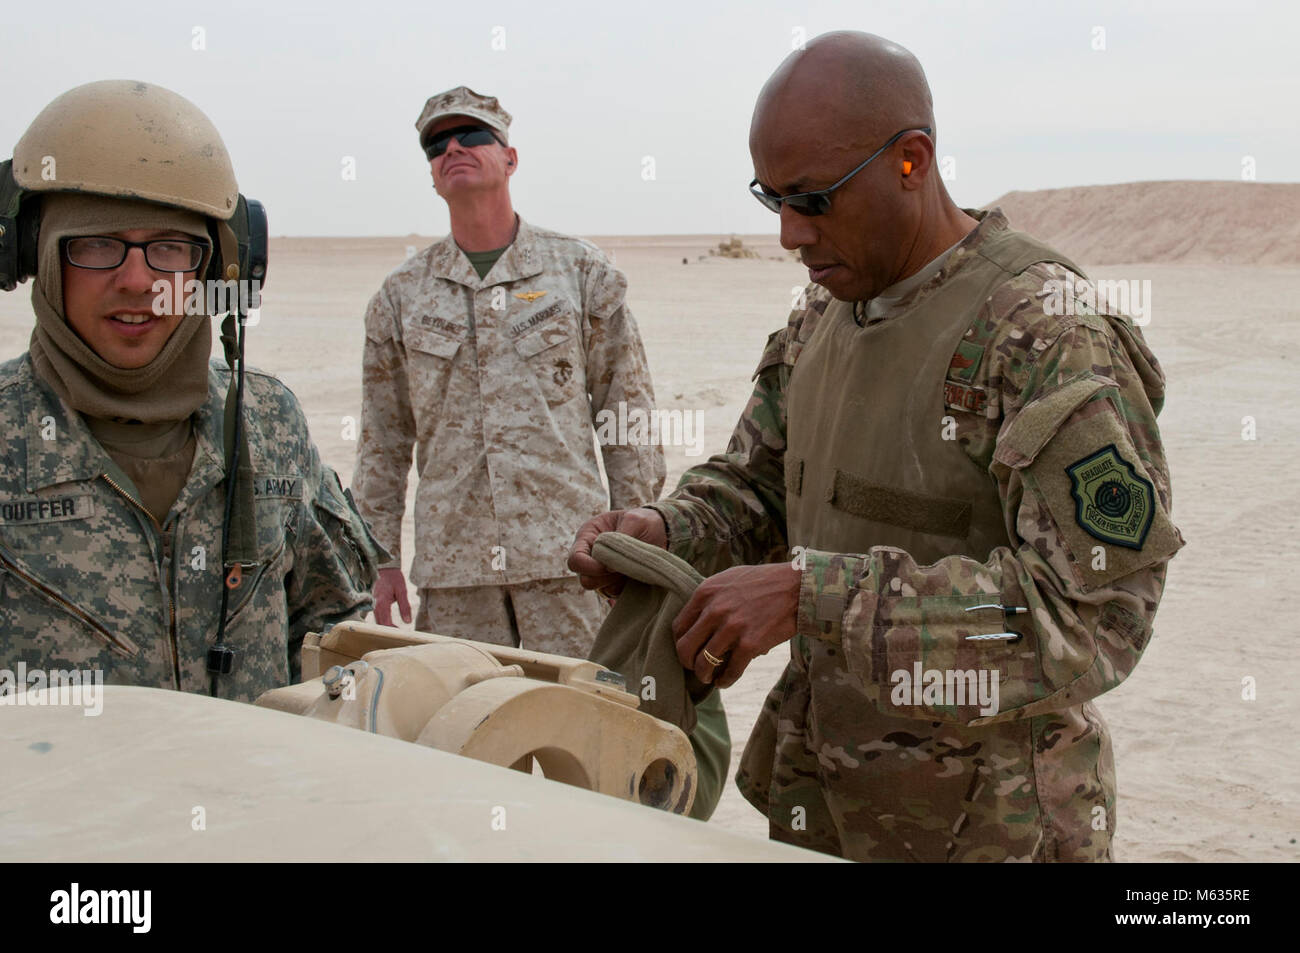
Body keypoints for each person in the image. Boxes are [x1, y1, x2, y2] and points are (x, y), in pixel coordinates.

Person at [570, 32, 1184, 861]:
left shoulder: (1045, 333)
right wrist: (667, 529)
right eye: (770, 199)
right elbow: (760, 488)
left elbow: (1094, 614)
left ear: (912, 159)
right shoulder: (824, 315)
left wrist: (812, 597)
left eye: (813, 198)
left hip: (995, 830)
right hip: (826, 808)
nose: (790, 232)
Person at [0, 80, 384, 703]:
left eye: (169, 250)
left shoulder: (266, 421)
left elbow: (333, 636)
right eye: (96, 245)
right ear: (37, 258)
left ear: (218, 271)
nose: (136, 280)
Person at [355, 86, 665, 658]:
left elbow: (628, 416)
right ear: (430, 173)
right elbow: (383, 443)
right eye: (436, 144)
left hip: (571, 561)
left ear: (509, 157)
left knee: (585, 729)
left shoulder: (580, 272)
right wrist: (379, 558)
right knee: (461, 736)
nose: (453, 148)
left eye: (472, 136)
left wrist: (637, 540)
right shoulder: (401, 297)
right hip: (455, 576)